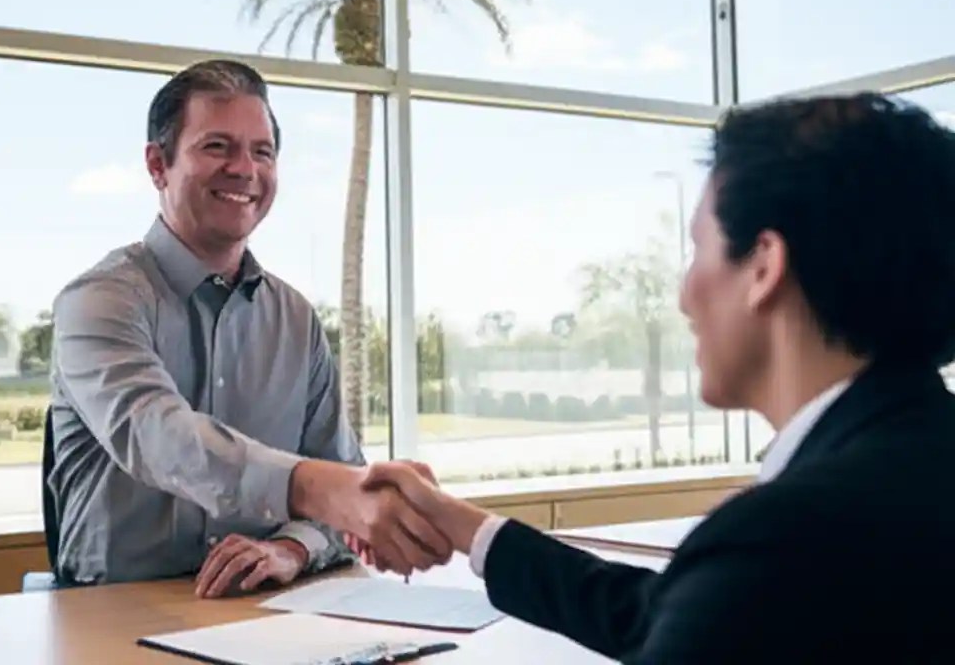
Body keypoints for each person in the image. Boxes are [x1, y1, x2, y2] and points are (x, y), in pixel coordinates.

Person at [362, 93, 955, 662]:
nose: (683, 296)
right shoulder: (913, 465)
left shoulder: (784, 539)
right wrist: (467, 528)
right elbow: (673, 616)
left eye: (698, 249)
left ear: (764, 267)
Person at [47, 59, 449, 596]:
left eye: (262, 151)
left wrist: (292, 547)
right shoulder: (97, 302)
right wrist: (314, 487)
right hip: (114, 613)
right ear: (157, 165)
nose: (244, 169)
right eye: (217, 147)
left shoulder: (296, 318)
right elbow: (159, 437)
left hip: (266, 615)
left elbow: (343, 480)